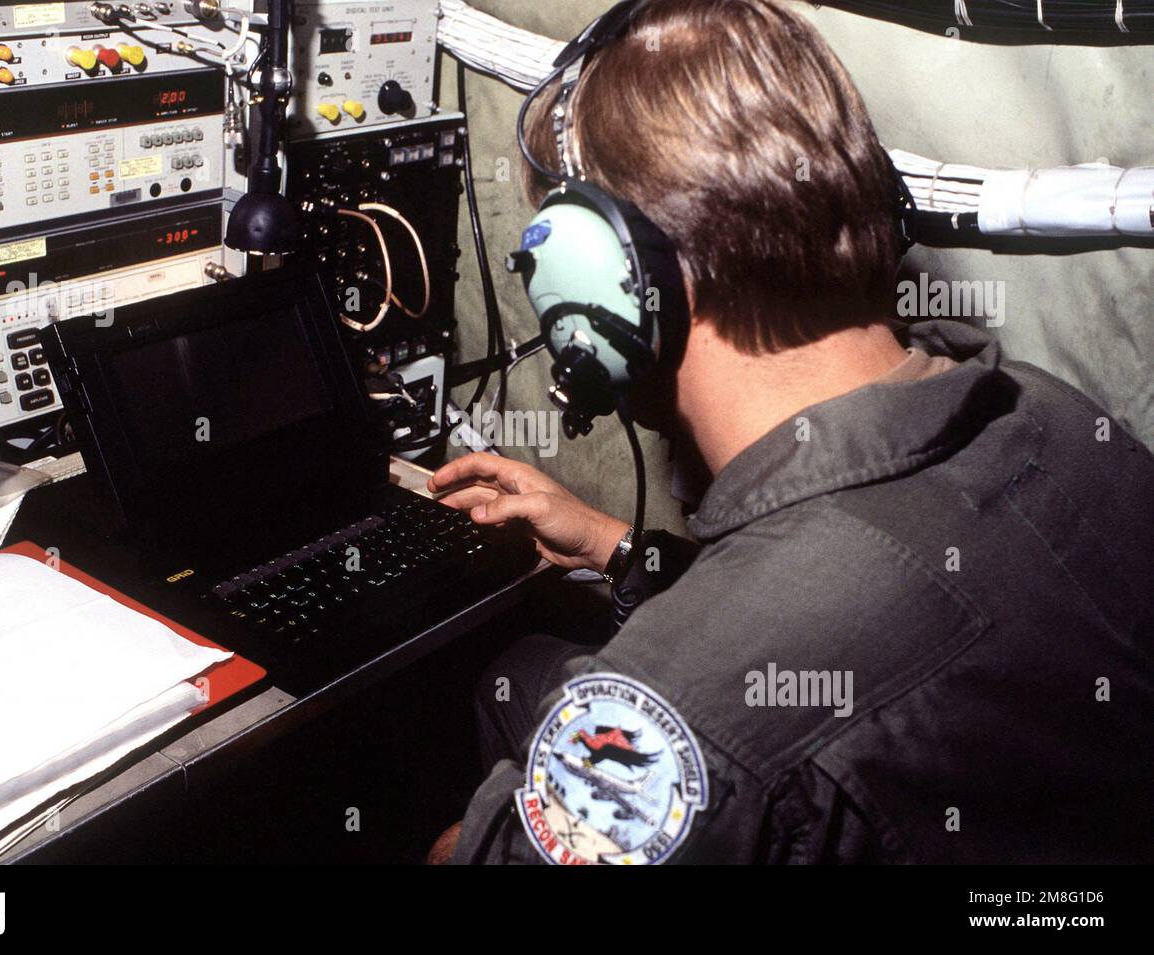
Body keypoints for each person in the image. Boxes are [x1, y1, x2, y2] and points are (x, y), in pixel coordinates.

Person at [426, 0, 1154, 865]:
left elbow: (753, 677)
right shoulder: (1058, 418)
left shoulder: (679, 715)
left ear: (610, 288)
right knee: (519, 670)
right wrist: (617, 547)